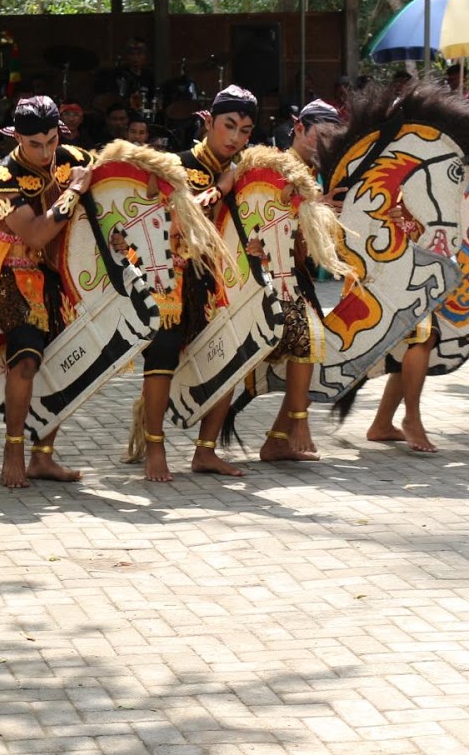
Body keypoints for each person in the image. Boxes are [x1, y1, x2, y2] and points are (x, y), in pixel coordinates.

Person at [0, 96, 94, 488]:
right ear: (16, 136)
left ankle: (44, 457)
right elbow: (36, 234)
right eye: (34, 144)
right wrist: (73, 192)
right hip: (10, 271)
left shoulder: (76, 159)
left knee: (65, 360)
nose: (45, 151)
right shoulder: (0, 177)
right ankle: (13, 450)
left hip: (61, 271)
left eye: (51, 141)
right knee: (26, 357)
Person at [133, 85, 259, 482]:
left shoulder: (246, 174)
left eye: (245, 130)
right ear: (208, 121)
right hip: (170, 278)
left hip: (219, 280)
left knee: (233, 357)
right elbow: (186, 214)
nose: (236, 137)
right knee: (163, 355)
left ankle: (206, 451)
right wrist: (224, 186)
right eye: (229, 125)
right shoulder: (175, 165)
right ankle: (155, 446)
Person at [259, 99, 341, 462]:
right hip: (267, 273)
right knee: (311, 341)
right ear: (298, 128)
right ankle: (298, 423)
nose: (322, 143)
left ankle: (278, 438)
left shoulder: (313, 170)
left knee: (315, 344)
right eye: (317, 135)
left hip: (297, 273)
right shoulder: (280, 166)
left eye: (330, 138)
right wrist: (320, 205)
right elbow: (271, 217)